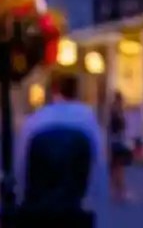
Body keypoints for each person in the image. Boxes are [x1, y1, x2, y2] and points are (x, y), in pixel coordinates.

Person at [14, 73, 106, 227]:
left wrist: (21, 197)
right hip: (73, 203)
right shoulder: (88, 119)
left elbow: (22, 162)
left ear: (52, 92)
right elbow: (98, 162)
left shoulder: (36, 120)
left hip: (38, 204)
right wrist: (92, 200)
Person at [106, 92, 133, 202]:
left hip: (114, 142)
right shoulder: (117, 113)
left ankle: (114, 191)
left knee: (114, 167)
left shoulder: (113, 112)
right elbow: (120, 128)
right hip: (118, 142)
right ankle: (120, 191)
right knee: (119, 167)